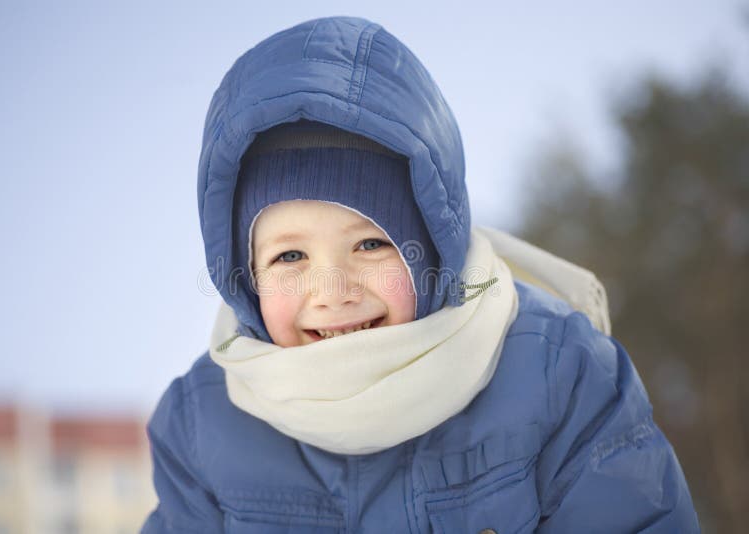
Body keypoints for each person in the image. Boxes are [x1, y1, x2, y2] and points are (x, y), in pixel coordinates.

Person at [142, 16, 699, 533]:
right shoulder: (201, 426)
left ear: (433, 248)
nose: (332, 292)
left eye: (370, 243)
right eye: (290, 257)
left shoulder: (560, 376)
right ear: (245, 276)